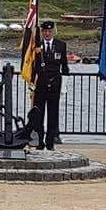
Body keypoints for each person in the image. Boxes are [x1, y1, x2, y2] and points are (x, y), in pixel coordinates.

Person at [32, 20, 69, 151]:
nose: (47, 34)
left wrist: (64, 86)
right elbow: (32, 66)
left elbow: (64, 66)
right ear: (42, 32)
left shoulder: (61, 45)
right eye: (45, 31)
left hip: (54, 84)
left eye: (49, 31)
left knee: (53, 114)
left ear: (53, 31)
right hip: (41, 84)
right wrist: (31, 83)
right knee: (39, 114)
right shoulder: (36, 45)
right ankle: (39, 142)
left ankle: (50, 142)